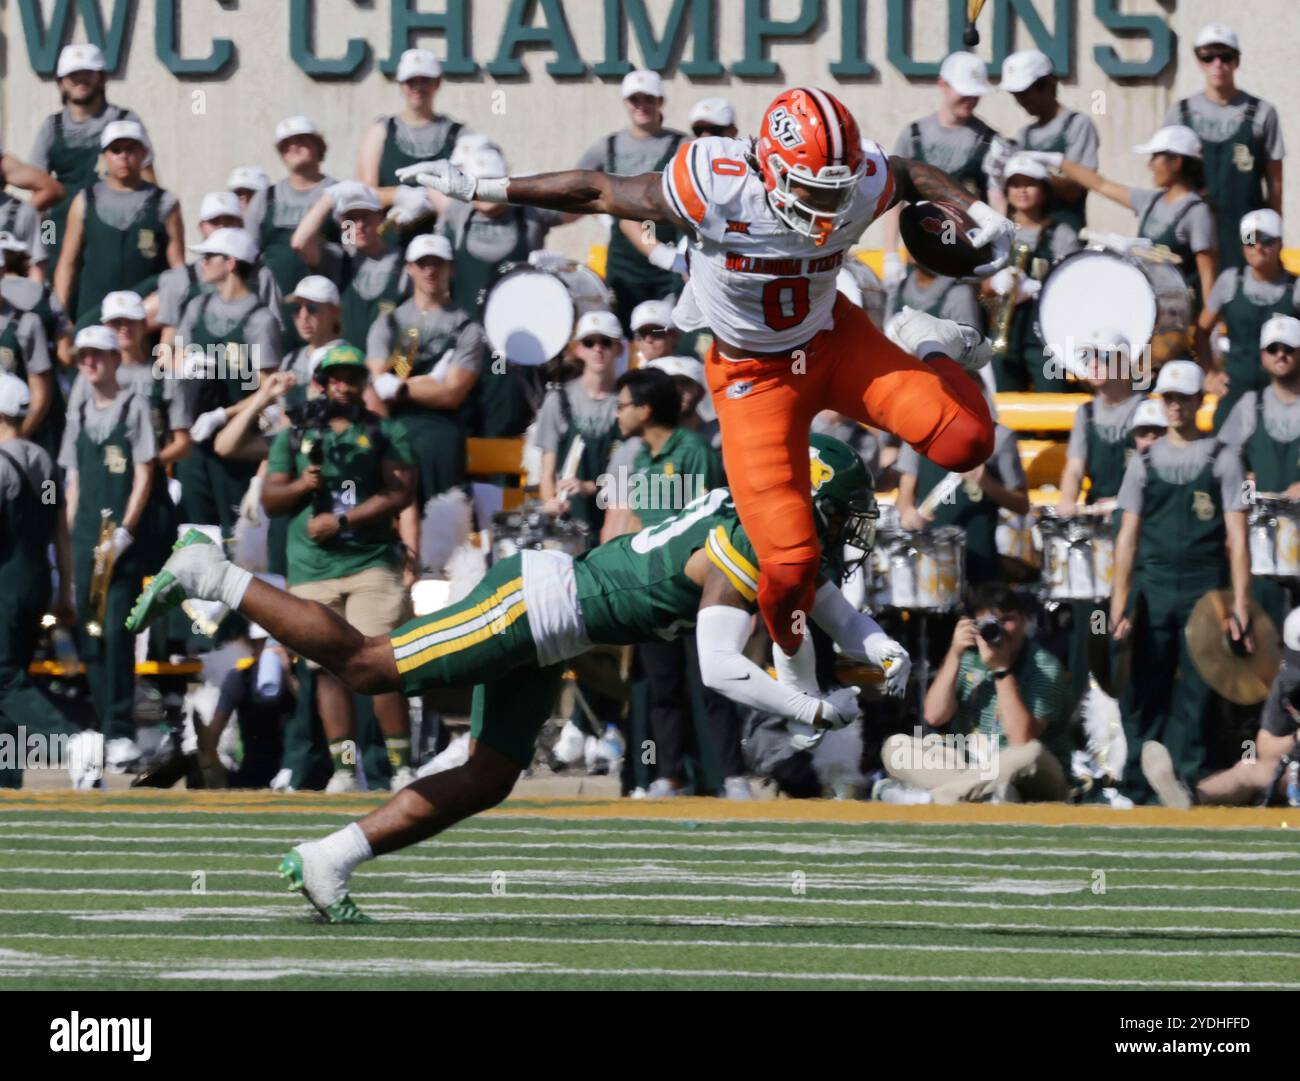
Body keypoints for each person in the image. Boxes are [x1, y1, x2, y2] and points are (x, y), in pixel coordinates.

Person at [126, 433, 909, 921]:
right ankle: (212, 573)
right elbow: (718, 663)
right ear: (806, 505)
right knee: (371, 665)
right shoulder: (745, 548)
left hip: (554, 627)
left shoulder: (766, 532)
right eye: (839, 513)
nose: (845, 531)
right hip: (534, 607)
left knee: (492, 771)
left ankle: (330, 857)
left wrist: (881, 647)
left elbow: (831, 604)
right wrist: (809, 708)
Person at [399, 86, 1007, 670]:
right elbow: (596, 190)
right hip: (753, 377)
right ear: (767, 169)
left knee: (968, 442)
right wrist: (487, 186)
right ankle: (795, 681)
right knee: (789, 570)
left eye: (836, 192)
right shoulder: (715, 184)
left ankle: (925, 340)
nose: (827, 209)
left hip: (834, 342)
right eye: (811, 191)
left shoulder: (857, 180)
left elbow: (910, 173)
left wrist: (982, 213)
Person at [261, 343, 418, 793]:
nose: (344, 385)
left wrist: (344, 519)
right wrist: (299, 485)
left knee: (382, 662)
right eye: (336, 377)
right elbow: (272, 500)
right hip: (313, 567)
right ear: (321, 382)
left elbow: (401, 492)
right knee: (327, 670)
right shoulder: (294, 434)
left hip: (370, 561)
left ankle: (401, 765)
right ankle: (346, 768)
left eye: (353, 377)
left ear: (364, 383)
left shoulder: (385, 431)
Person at [1110, 360, 1252, 805]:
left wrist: (1240, 603)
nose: (1174, 407)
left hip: (1204, 586)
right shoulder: (1144, 462)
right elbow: (1126, 538)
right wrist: (1118, 602)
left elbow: (1238, 538)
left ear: (1198, 401)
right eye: (1168, 398)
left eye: (1183, 398)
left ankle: (1188, 782)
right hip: (1152, 587)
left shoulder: (1222, 457)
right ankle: (1138, 784)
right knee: (1143, 685)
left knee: (1197, 688)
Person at [609, 366, 741, 796]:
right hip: (650, 590)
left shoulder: (693, 451)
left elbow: (715, 516)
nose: (617, 413)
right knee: (663, 687)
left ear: (645, 410)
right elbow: (637, 522)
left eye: (623, 405)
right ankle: (670, 774)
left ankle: (731, 775)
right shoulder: (641, 458)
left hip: (698, 586)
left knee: (714, 680)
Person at [60, 325, 169, 770]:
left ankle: (121, 730)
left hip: (118, 536)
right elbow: (74, 481)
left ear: (114, 359)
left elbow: (145, 472)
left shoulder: (134, 405)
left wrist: (127, 529)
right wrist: (69, 538)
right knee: (90, 634)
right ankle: (104, 727)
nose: (89, 362)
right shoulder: (80, 406)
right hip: (87, 531)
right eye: (84, 355)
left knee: (118, 635)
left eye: (98, 355)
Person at [884, 583, 1071, 803]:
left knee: (1030, 753)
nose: (1000, 630)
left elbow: (1021, 738)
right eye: (990, 623)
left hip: (1030, 774)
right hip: (970, 764)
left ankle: (932, 799)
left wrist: (1001, 670)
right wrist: (955, 652)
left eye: (1008, 620)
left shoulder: (1045, 667)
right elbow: (934, 716)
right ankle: (988, 795)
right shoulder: (969, 658)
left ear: (1024, 620)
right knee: (896, 747)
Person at [1022, 126, 1217, 307]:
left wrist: (1208, 328)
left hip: (1181, 314)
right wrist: (1056, 160)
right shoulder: (1151, 200)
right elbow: (1100, 185)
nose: (1149, 165)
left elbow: (1208, 274)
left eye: (1155, 157)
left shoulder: (1196, 212)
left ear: (1176, 162)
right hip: (1151, 306)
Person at [174, 228, 282, 539]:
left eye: (209, 257)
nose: (202, 263)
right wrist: (184, 368)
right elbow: (172, 358)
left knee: (233, 537)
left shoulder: (259, 319)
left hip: (237, 445)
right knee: (192, 535)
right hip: (195, 444)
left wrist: (222, 415)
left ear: (231, 262)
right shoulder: (197, 308)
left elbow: (269, 389)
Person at [365, 234, 485, 514]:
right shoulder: (390, 322)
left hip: (441, 437)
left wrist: (400, 387)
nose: (429, 270)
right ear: (409, 268)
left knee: (442, 524)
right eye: (422, 264)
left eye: (437, 264)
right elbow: (378, 389)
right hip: (394, 433)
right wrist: (427, 382)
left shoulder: (467, 327)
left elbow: (452, 394)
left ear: (451, 268)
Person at [1142, 607, 1300, 809]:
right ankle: (1189, 795)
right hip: (1293, 772)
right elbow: (1265, 748)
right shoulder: (1288, 681)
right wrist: (1295, 739)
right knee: (1248, 767)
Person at [0, 372, 76, 789]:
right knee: (10, 679)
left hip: (6, 586)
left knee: (5, 678)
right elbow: (59, 528)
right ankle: (6, 781)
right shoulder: (45, 463)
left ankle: (70, 743)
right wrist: (65, 588)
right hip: (37, 583)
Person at [1164, 23, 1284, 270]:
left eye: (1225, 56)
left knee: (1242, 290)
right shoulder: (1180, 113)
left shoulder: (1262, 113)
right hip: (1192, 226)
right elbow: (1166, 177)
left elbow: (1275, 180)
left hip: (1247, 228)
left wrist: (1275, 232)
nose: (1217, 64)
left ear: (1237, 61)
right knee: (1192, 293)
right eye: (1208, 57)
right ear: (1199, 61)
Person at [881, 51, 1005, 289]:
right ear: (943, 85)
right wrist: (890, 253)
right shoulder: (913, 135)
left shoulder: (991, 141)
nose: (970, 99)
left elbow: (996, 200)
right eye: (964, 92)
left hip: (967, 259)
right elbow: (894, 199)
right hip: (918, 258)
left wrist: (999, 258)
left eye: (975, 94)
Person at [576, 70, 689, 329]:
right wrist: (602, 215)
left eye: (649, 99)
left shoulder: (683, 145)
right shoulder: (608, 146)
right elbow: (581, 189)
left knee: (666, 330)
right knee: (623, 329)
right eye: (634, 99)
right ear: (626, 103)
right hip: (624, 260)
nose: (642, 105)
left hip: (668, 252)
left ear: (660, 101)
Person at [53, 119, 183, 325]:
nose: (124, 156)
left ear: (143, 153)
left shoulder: (165, 203)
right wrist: (61, 315)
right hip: (93, 318)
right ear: (105, 156)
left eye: (131, 149)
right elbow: (68, 262)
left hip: (144, 320)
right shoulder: (85, 201)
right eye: (116, 150)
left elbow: (177, 268)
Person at [30, 43, 147, 269]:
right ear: (61, 82)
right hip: (60, 230)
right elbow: (39, 194)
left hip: (113, 228)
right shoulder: (51, 127)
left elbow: (147, 181)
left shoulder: (125, 120)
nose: (80, 81)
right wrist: (45, 245)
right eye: (73, 75)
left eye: (88, 74)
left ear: (101, 78)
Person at [1217, 314, 1300, 629]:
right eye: (1273, 348)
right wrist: (1241, 479)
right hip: (1262, 550)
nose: (1281, 354)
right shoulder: (1251, 405)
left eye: (1289, 348)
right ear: (1263, 356)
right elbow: (1222, 459)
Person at [983, 152, 1081, 392]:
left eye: (1030, 184)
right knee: (1003, 408)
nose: (1022, 190)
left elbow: (1075, 285)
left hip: (1048, 337)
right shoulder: (995, 232)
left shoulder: (1062, 233)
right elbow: (980, 287)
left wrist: (1039, 288)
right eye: (1015, 184)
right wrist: (995, 283)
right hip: (1003, 335)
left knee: (1054, 398)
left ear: (1044, 189)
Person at [1196, 210, 1299, 429]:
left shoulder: (1296, 288)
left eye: (1266, 240)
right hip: (1237, 390)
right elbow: (1201, 331)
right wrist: (1209, 374)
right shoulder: (1230, 282)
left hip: (1286, 392)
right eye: (1250, 240)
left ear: (1280, 243)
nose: (1258, 247)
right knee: (1222, 451)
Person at [896, 422, 1029, 587]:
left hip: (981, 561)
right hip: (931, 564)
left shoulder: (1000, 435)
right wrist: (907, 513)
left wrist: (986, 482)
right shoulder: (916, 431)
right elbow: (905, 493)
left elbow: (1022, 504)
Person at [244, 117, 340, 340]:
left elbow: (353, 247)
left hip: (324, 314)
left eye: (302, 140)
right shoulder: (264, 199)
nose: (294, 146)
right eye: (287, 144)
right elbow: (247, 258)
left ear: (319, 146)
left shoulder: (340, 193)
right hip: (274, 315)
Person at [155, 191, 282, 351]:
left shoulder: (262, 277)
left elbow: (273, 335)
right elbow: (168, 343)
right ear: (201, 227)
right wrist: (180, 369)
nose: (222, 227)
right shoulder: (179, 279)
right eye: (214, 221)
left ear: (241, 225)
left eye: (229, 221)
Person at [534, 309, 623, 534]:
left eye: (606, 342)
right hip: (570, 520)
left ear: (619, 349)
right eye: (589, 342)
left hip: (614, 515)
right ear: (578, 349)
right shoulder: (559, 399)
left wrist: (589, 487)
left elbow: (632, 472)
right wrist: (551, 503)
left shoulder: (628, 402)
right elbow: (547, 471)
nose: (598, 349)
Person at [292, 181, 406, 350]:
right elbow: (299, 243)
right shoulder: (338, 257)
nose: (359, 225)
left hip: (386, 363)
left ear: (380, 217)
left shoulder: (403, 259)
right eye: (351, 218)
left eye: (365, 216)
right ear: (342, 223)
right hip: (343, 365)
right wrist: (328, 198)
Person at [1000, 48, 1101, 232]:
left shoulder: (1077, 125)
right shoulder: (1025, 134)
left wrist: (1038, 170)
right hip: (1027, 235)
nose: (1021, 100)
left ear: (1048, 83)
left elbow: (1076, 189)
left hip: (1063, 235)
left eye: (1025, 92)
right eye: (1016, 95)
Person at [358, 49, 467, 196]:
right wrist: (400, 196)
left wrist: (432, 199)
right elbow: (364, 193)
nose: (418, 87)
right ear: (401, 84)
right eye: (410, 81)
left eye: (425, 80)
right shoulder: (381, 130)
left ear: (438, 82)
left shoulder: (459, 134)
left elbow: (470, 186)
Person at [200, 626, 298, 789]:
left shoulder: (298, 676)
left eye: (274, 643)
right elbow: (216, 728)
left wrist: (287, 675)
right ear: (253, 646)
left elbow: (312, 711)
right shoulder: (240, 678)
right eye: (263, 643)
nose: (269, 649)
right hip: (255, 768)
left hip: (295, 766)